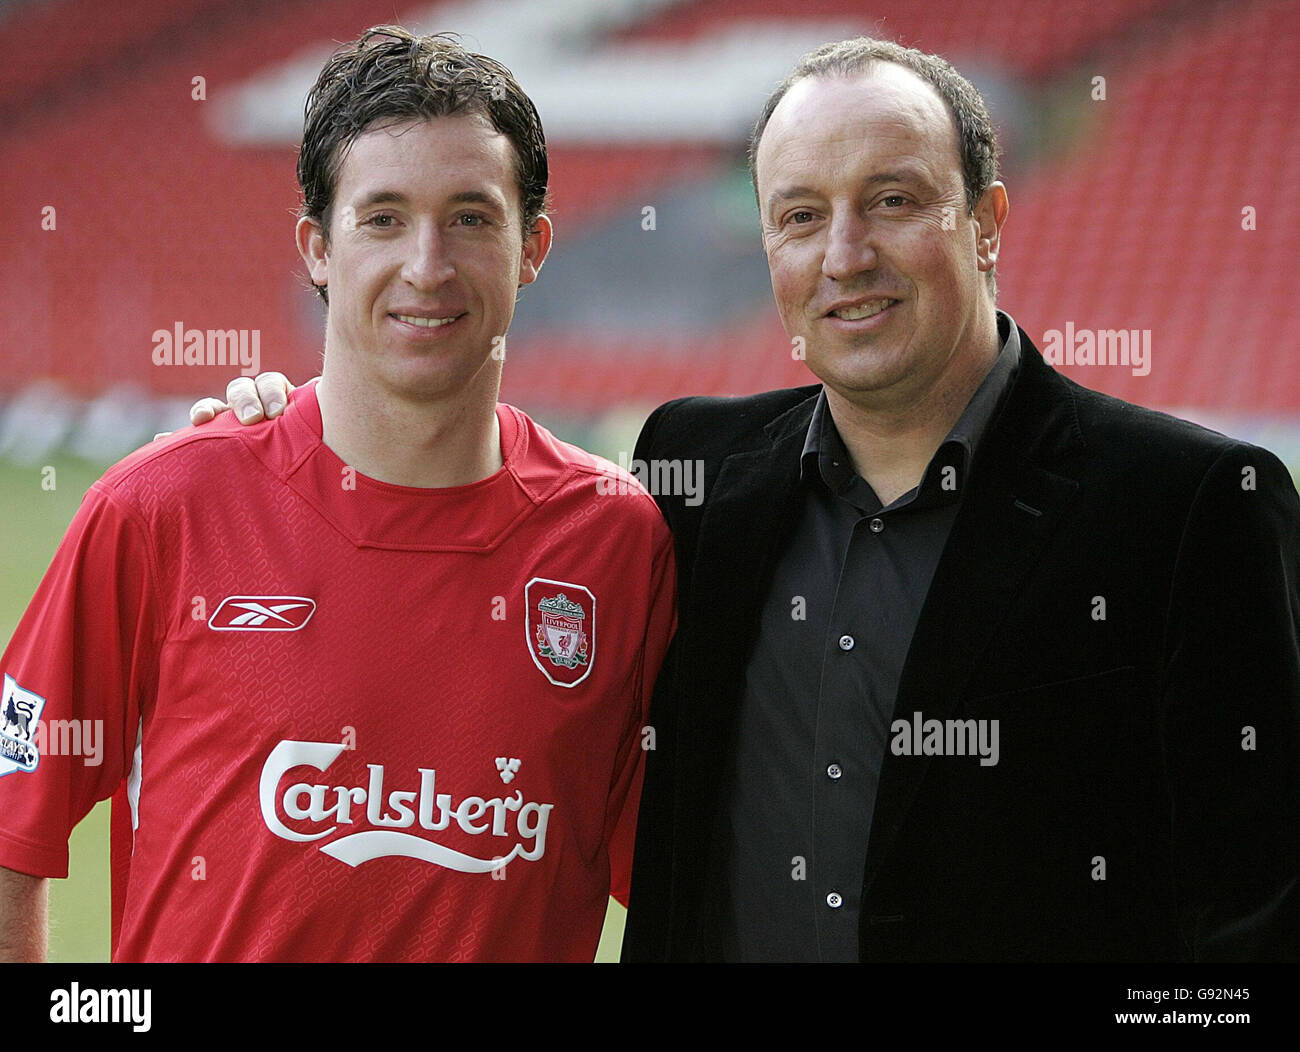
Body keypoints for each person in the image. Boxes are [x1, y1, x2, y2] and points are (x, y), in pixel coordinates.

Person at [186, 37, 1300, 963]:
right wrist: (284, 421)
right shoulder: (695, 472)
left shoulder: (1191, 503)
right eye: (800, 214)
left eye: (893, 201)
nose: (845, 254)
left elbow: (1258, 916)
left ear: (988, 219)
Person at [0, 26, 674, 962]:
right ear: (318, 248)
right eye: (384, 217)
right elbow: (10, 827)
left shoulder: (616, 543)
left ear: (534, 246)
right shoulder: (160, 508)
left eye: (472, 217)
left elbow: (683, 890)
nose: (427, 266)